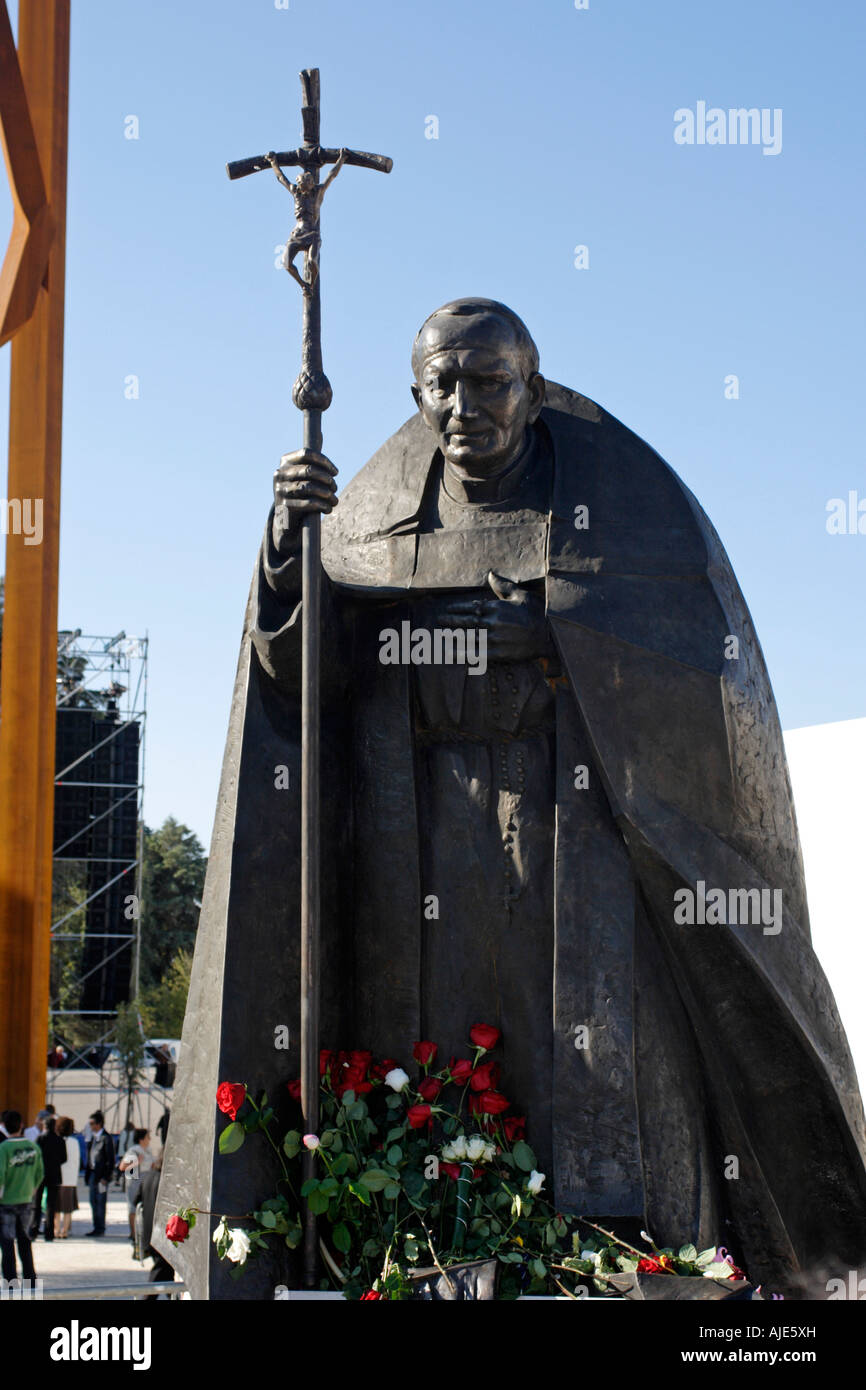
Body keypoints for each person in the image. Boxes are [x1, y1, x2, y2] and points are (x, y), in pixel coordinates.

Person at [157, 297, 866, 1301]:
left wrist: (549, 648)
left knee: (596, 1055)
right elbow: (294, 681)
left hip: (576, 838)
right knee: (436, 1061)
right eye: (440, 382)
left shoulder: (627, 515)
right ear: (415, 393)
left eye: (487, 380)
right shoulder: (363, 518)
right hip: (421, 853)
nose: (461, 403)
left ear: (531, 391)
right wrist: (288, 544)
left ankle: (622, 1260)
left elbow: (690, 687)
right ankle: (433, 1249)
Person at [0, 1110, 43, 1287]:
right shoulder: (33, 1148)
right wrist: (31, 1190)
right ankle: (31, 1283)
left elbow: (0, 1176)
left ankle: (11, 1285)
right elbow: (40, 1174)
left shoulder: (3, 1148)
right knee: (25, 1243)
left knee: (8, 1244)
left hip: (6, 1203)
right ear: (21, 1125)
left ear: (4, 1126)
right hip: (26, 1201)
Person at [136, 1153, 175, 1297]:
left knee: (167, 1273)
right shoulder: (169, 1181)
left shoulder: (148, 1177)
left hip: (149, 1233)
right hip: (164, 1235)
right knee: (160, 1271)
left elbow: (137, 1201)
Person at [33, 1116, 65, 1242]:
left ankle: (34, 1230)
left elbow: (35, 1156)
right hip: (55, 1174)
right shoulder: (60, 1140)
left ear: (45, 1126)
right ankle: (49, 1232)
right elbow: (64, 1158)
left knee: (37, 1203)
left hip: (41, 1174)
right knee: (51, 1204)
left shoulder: (40, 1138)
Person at [84, 1110, 115, 1237]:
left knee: (100, 1201)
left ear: (99, 1124)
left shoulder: (106, 1138)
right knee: (93, 1201)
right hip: (92, 1174)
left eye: (92, 1124)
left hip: (101, 1177)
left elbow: (110, 1160)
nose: (90, 1127)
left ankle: (100, 1227)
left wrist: (106, 1177)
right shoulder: (93, 1139)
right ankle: (95, 1225)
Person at [119, 1128, 153, 1241]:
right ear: (141, 1139)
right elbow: (122, 1167)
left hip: (146, 1181)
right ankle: (133, 1233)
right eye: (148, 1137)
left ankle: (144, 1232)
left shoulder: (148, 1150)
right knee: (133, 1208)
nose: (150, 1139)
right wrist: (137, 1161)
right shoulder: (133, 1151)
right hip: (134, 1181)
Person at [54, 1116, 79, 1238]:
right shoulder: (74, 1142)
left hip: (58, 1178)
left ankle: (56, 1229)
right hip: (71, 1178)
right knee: (68, 1208)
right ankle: (65, 1231)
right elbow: (77, 1161)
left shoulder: (57, 1141)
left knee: (56, 1207)